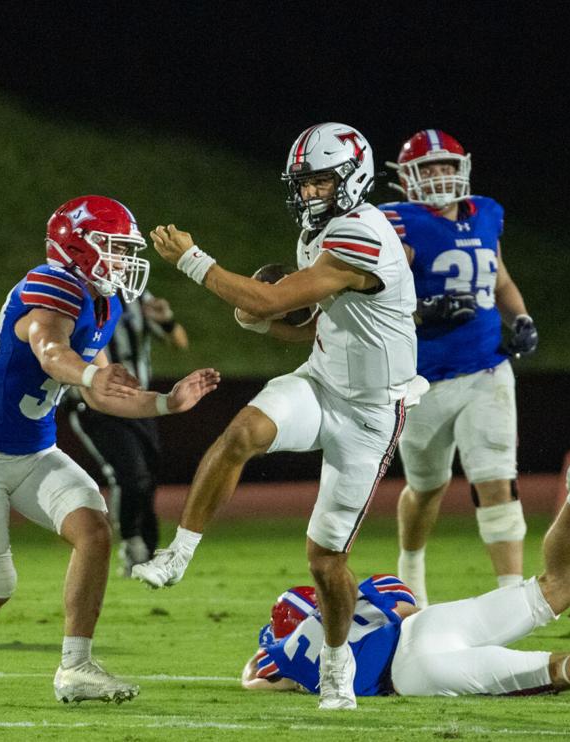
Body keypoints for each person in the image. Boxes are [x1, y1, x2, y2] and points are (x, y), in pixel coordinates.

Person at [132, 122, 423, 711]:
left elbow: (268, 297)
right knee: (243, 432)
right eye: (303, 183)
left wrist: (193, 260)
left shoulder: (362, 235)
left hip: (370, 414)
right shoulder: (318, 235)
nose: (309, 193)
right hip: (320, 383)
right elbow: (319, 329)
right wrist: (268, 324)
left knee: (326, 560)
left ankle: (339, 668)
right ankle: (177, 555)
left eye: (319, 181)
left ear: (353, 177)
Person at [0, 195, 220, 704]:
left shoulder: (108, 301)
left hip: (35, 452)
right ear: (79, 246)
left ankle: (75, 668)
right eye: (114, 248)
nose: (123, 261)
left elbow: (100, 392)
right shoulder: (50, 282)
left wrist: (166, 402)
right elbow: (52, 352)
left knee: (95, 531)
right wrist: (94, 371)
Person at [241, 438, 570, 697]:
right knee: (562, 584)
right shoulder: (367, 589)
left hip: (414, 673)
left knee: (556, 672)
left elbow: (257, 680)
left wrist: (274, 651)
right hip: (432, 628)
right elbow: (408, 606)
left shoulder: (283, 651)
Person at [380, 129, 537, 607]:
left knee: (496, 476)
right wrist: (424, 309)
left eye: (445, 165)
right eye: (428, 168)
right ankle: (411, 565)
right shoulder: (398, 223)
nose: (439, 176)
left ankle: (511, 599)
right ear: (407, 178)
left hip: (486, 371)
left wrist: (522, 316)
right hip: (422, 379)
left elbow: (500, 276)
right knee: (426, 487)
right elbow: (378, 298)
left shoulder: (486, 213)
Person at [64, 290, 190, 576]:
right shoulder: (77, 297)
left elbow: (179, 341)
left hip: (137, 403)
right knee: (131, 475)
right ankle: (133, 545)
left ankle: (147, 546)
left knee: (147, 477)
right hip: (95, 404)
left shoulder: (137, 298)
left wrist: (167, 321)